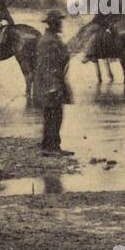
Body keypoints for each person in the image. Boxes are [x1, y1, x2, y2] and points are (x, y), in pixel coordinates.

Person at [33, 9, 73, 156]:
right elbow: (48, 65)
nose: (61, 24)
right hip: (51, 83)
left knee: (53, 114)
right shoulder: (49, 41)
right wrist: (54, 86)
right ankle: (51, 147)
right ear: (54, 23)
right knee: (54, 115)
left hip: (52, 81)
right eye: (59, 22)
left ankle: (50, 145)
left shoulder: (50, 38)